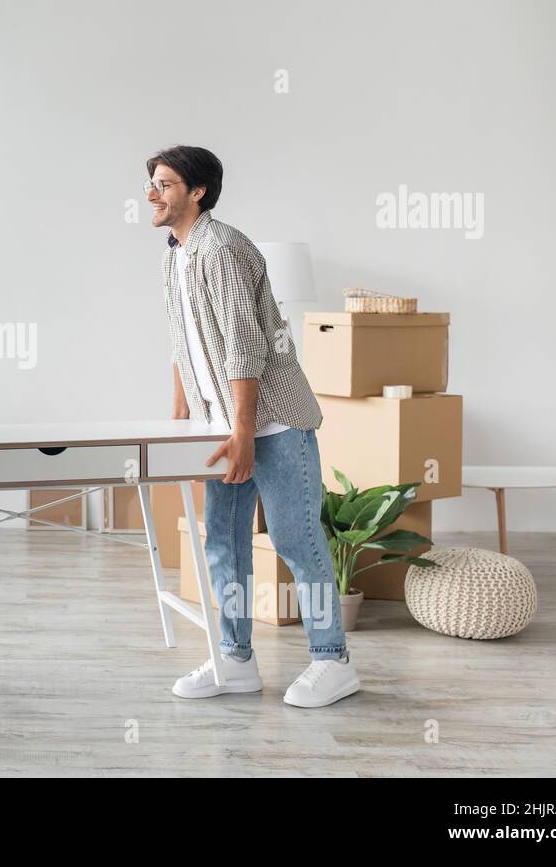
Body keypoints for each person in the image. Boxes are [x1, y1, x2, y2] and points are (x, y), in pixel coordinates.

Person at [147, 145, 360, 708]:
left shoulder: (224, 249)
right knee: (224, 546)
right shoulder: (176, 255)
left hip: (273, 425)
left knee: (297, 540)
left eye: (164, 184)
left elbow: (246, 350)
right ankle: (236, 660)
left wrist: (243, 433)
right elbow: (182, 343)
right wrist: (181, 420)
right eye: (153, 183)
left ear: (197, 192)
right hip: (220, 428)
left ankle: (332, 659)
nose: (152, 194)